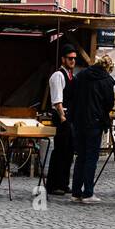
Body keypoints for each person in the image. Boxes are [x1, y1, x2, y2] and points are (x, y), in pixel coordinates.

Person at [69, 54, 115, 202]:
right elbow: (109, 103)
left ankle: (76, 192)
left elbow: (71, 97)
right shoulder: (106, 81)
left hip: (79, 121)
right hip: (95, 122)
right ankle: (88, 192)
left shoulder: (81, 75)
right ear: (108, 68)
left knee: (81, 156)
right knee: (91, 157)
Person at [45, 44, 77, 193]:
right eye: (70, 58)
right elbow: (57, 99)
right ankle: (53, 184)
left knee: (69, 151)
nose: (73, 61)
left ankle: (63, 183)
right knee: (60, 150)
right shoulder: (58, 75)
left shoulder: (71, 76)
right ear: (63, 59)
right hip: (62, 116)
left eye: (74, 59)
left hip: (70, 116)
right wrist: (63, 117)